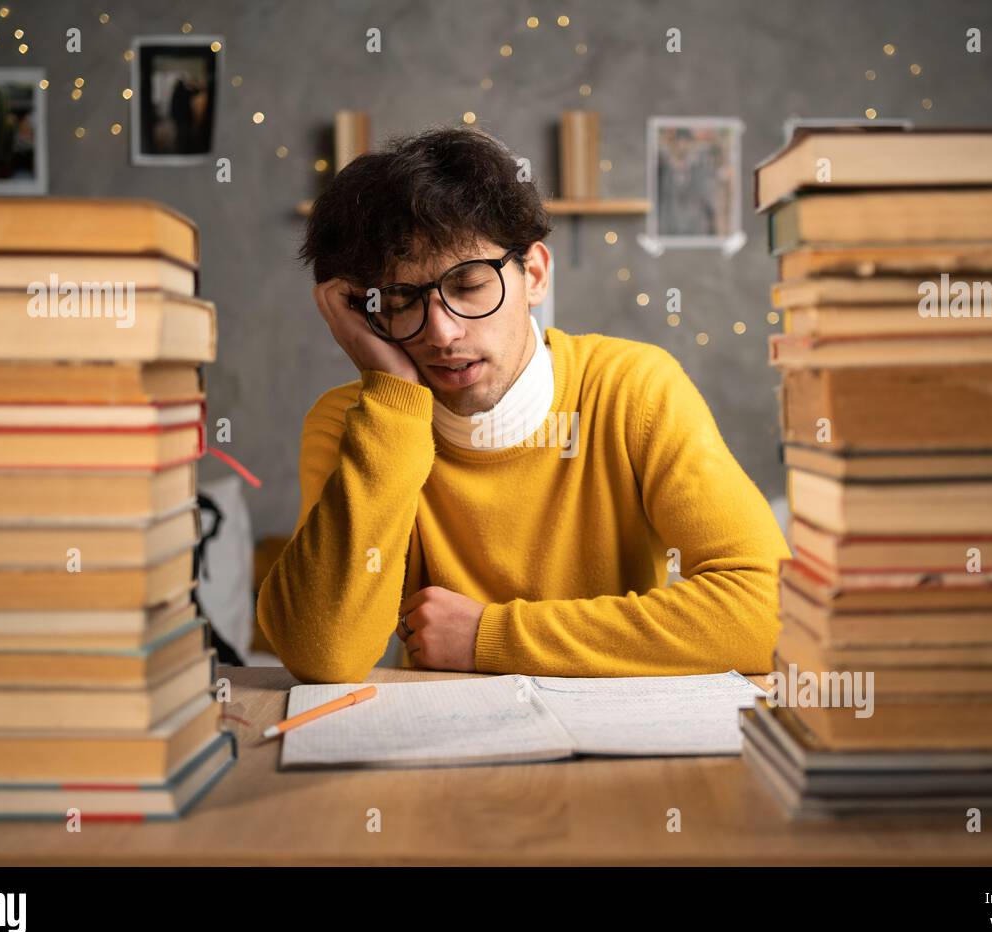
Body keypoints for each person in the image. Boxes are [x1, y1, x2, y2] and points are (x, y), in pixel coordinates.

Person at [256, 125, 788, 682]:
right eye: (400, 300)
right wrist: (391, 392)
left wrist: (488, 636)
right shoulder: (353, 420)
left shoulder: (633, 388)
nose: (442, 332)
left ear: (533, 274)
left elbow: (769, 615)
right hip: (438, 749)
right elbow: (324, 653)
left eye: (468, 285)